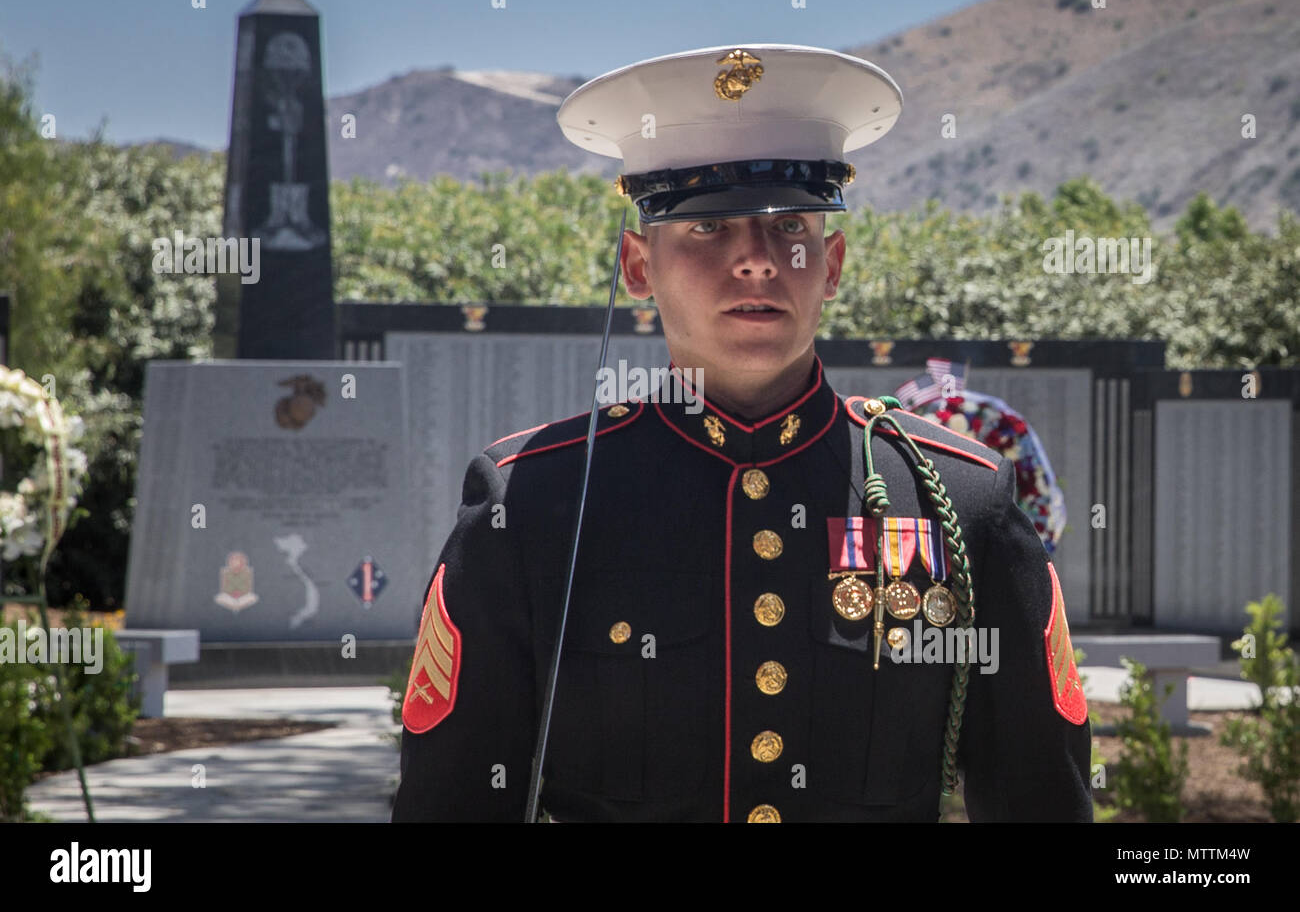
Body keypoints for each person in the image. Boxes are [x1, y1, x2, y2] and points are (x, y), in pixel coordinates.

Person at [391, 45, 1093, 822]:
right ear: (636, 265)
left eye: (789, 225)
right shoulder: (530, 503)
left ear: (831, 264)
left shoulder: (960, 500)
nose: (757, 260)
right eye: (707, 226)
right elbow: (449, 801)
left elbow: (1041, 797)